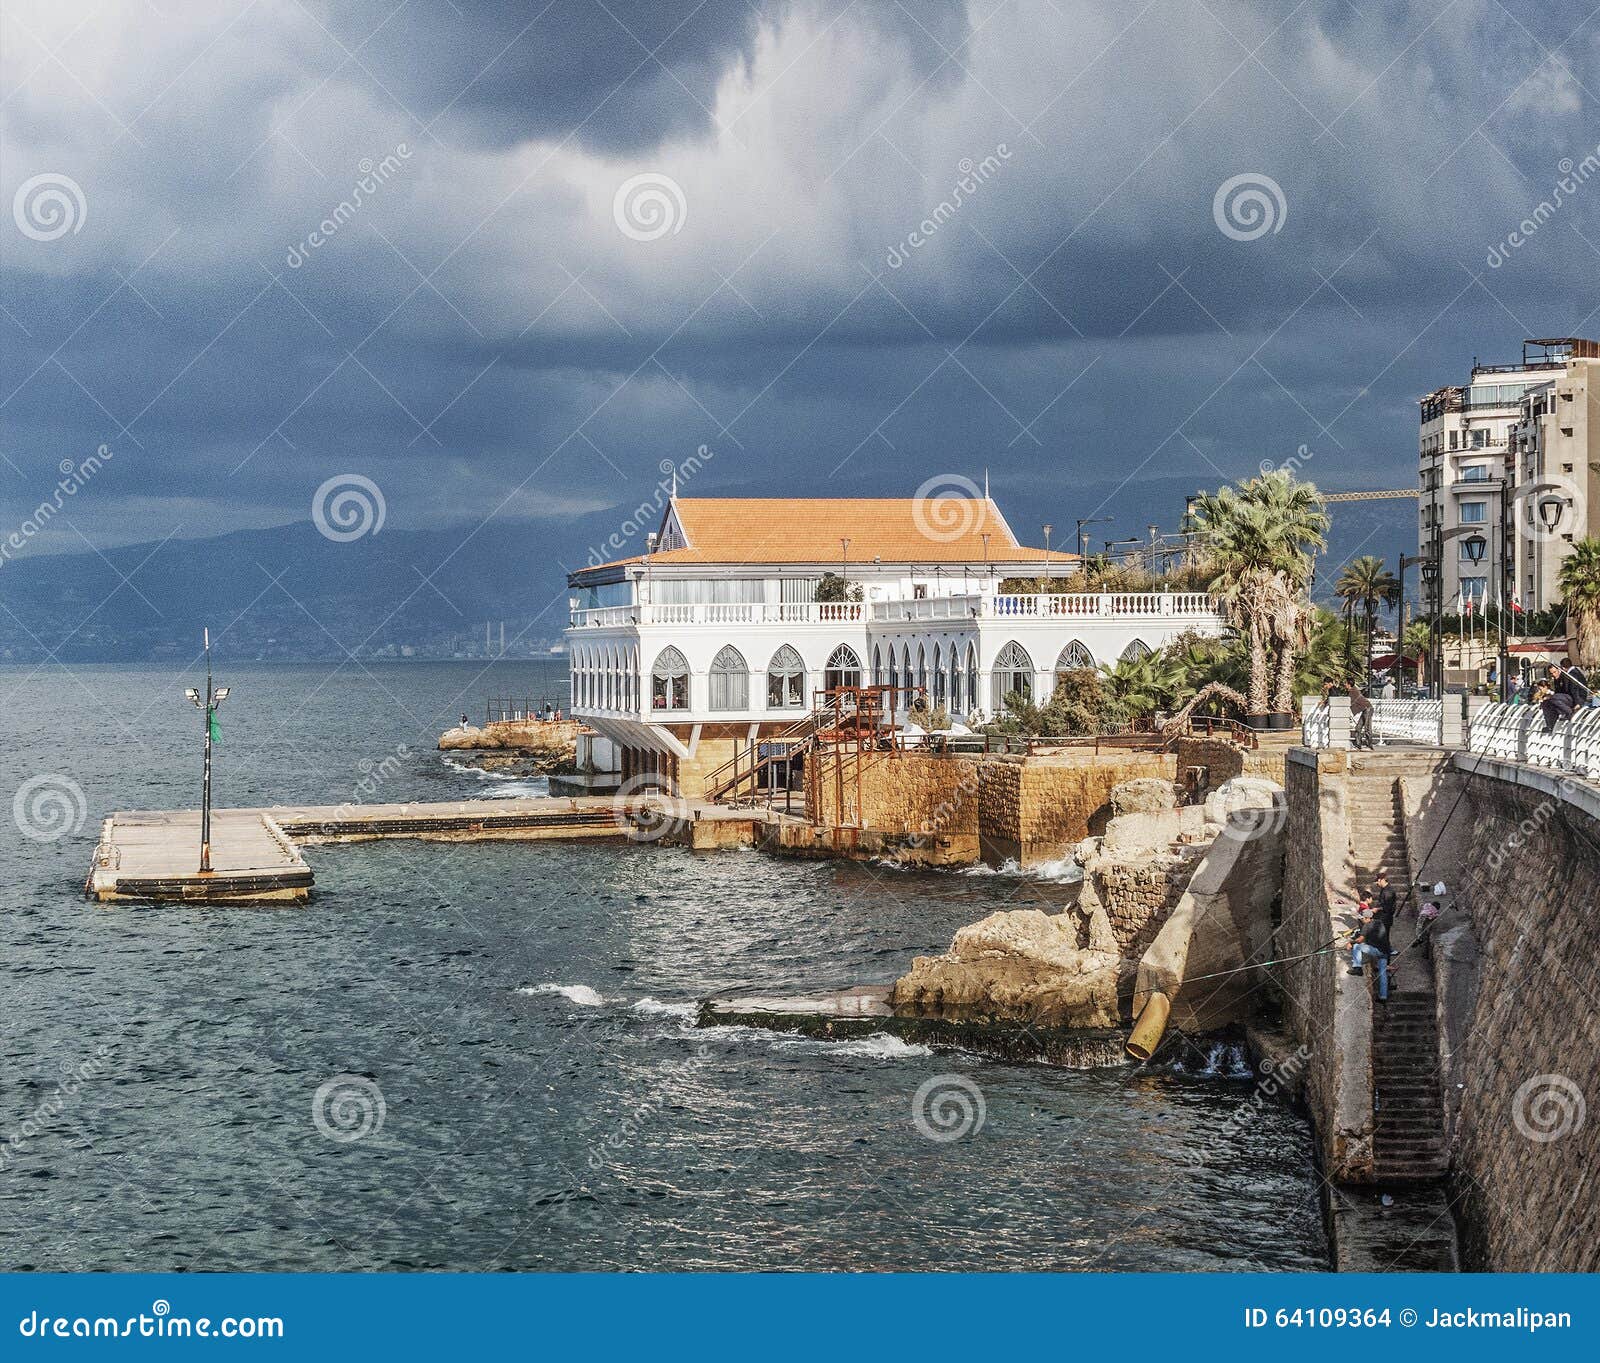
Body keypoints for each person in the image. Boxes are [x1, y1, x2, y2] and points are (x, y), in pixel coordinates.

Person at [1348, 912, 1392, 1001]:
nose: (1362, 920)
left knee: (1357, 947)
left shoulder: (1367, 926)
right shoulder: (1380, 923)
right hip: (1385, 951)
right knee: (1382, 973)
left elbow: (1360, 940)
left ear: (1368, 918)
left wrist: (1350, 943)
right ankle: (1383, 996)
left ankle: (1357, 968)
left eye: (1363, 918)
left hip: (1377, 950)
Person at [1348, 682, 1374, 749]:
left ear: (1349, 684)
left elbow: (1350, 701)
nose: (1344, 685)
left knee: (1367, 728)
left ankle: (1369, 745)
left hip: (1368, 709)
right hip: (1364, 709)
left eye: (1345, 683)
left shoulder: (1353, 691)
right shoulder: (1352, 691)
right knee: (1358, 728)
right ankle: (1358, 744)